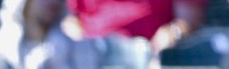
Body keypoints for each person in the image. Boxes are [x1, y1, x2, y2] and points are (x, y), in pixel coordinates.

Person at [64, 0, 207, 55]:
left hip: (147, 53)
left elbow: (188, 20)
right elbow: (70, 20)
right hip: (93, 53)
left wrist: (172, 32)